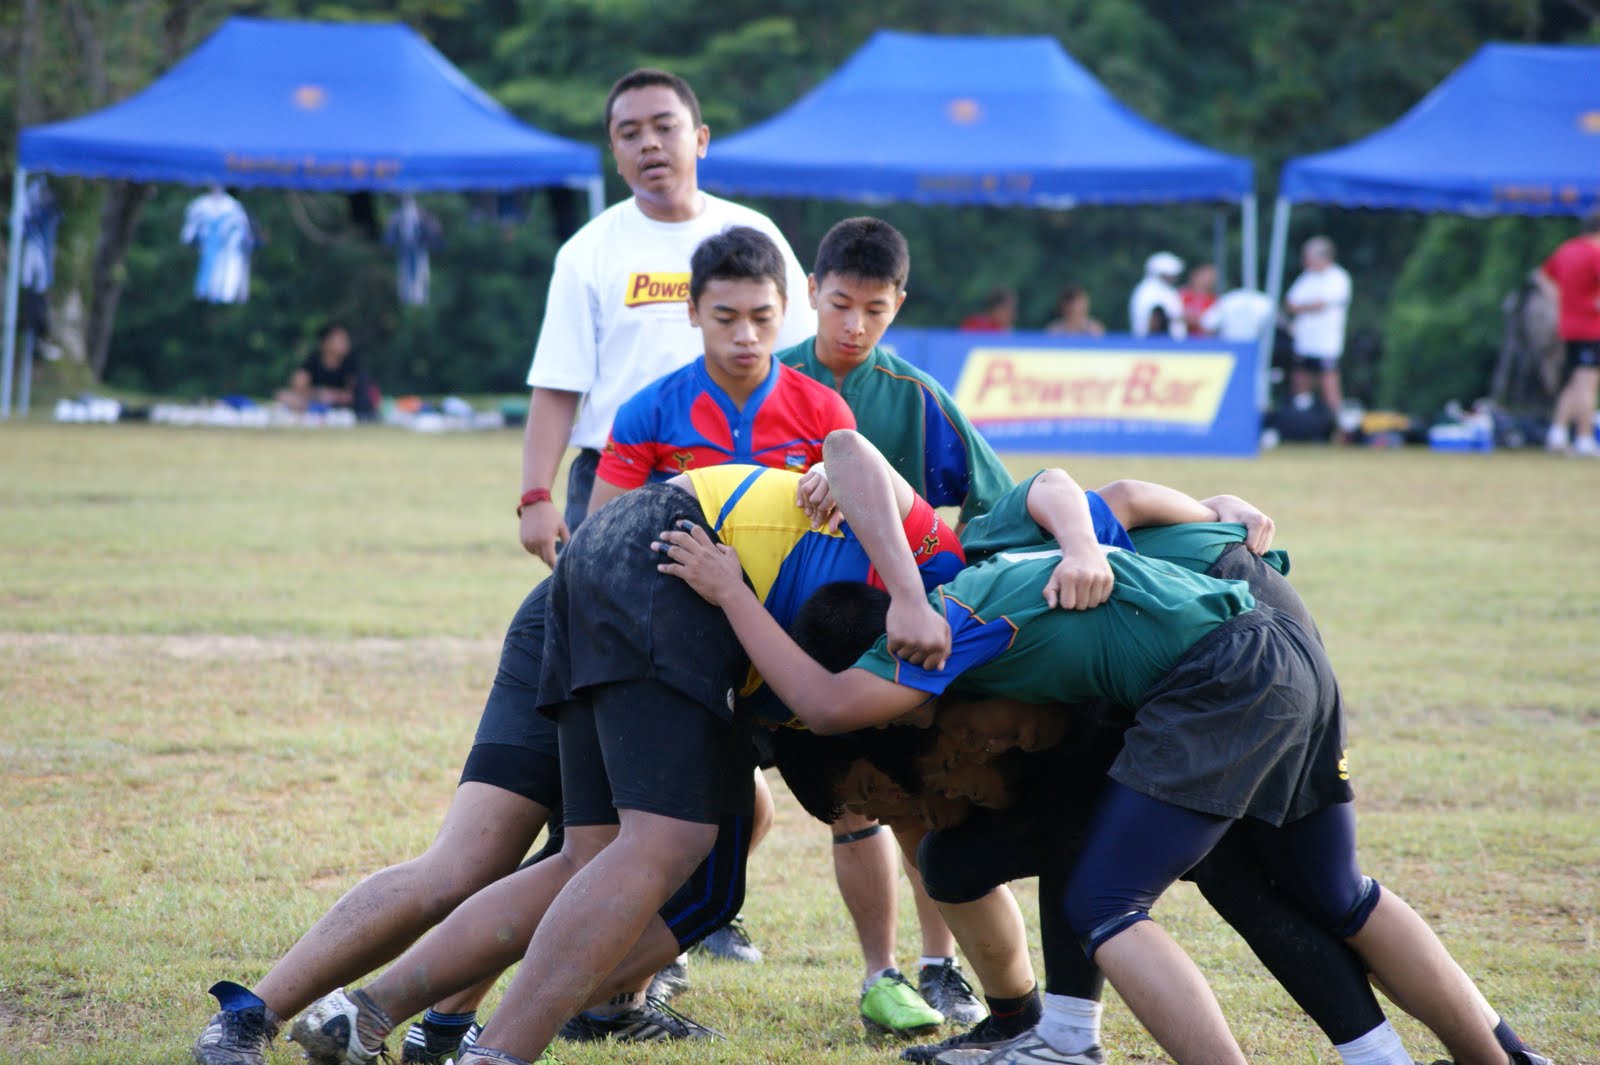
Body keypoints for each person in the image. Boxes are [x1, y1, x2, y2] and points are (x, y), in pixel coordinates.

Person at [655, 437, 1545, 1065]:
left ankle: (1081, 1036)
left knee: (1115, 898)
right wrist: (1209, 515)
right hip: (1271, 642)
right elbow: (1103, 500)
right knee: (1332, 889)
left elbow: (822, 702)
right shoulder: (994, 586)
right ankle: (1494, 1054)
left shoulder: (945, 626)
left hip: (1228, 660)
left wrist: (734, 592)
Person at [285, 454, 978, 1065]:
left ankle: (363, 1013)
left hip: (626, 562)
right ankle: (493, 1048)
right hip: (666, 553)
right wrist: (908, 595)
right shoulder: (944, 583)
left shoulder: (861, 695)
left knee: (595, 858)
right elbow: (847, 448)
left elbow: (814, 707)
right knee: (668, 843)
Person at [779, 216, 1015, 1032]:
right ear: (811, 291)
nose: (855, 325)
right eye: (840, 304)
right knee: (850, 801)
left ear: (899, 305)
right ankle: (878, 971)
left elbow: (996, 507)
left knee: (928, 793)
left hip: (901, 632)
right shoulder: (769, 383)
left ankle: (939, 967)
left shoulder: (917, 398)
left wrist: (955, 600)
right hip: (797, 632)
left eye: (874, 309)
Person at [516, 67, 814, 570]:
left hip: (739, 472)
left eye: (664, 127)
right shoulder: (586, 252)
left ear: (701, 139)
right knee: (602, 613)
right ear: (615, 155)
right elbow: (558, 384)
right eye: (629, 134)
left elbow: (803, 364)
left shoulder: (755, 233)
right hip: (614, 476)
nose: (649, 143)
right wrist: (535, 496)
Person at [1537, 209, 1600, 455]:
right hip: (1592, 328)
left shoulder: (1566, 249)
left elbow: (1542, 277)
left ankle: (1558, 433)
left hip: (1567, 326)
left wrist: (1560, 301)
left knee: (1575, 380)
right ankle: (1584, 438)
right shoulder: (1595, 253)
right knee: (1587, 384)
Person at [1284, 235, 1353, 416]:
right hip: (1304, 342)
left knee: (1329, 385)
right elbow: (1290, 303)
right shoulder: (1307, 277)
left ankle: (1336, 425)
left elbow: (1320, 305)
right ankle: (1299, 420)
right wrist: (1310, 307)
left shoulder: (1338, 278)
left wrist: (1304, 307)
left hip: (1326, 344)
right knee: (1300, 382)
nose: (1305, 261)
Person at [276, 322, 374, 418]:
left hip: (341, 407)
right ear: (326, 342)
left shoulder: (350, 363)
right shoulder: (314, 360)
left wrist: (332, 395)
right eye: (340, 340)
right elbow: (298, 385)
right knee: (284, 396)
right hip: (314, 401)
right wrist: (319, 394)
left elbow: (351, 396)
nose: (345, 343)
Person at [1128, 251, 1185, 338]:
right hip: (1157, 342)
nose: (1175, 277)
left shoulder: (1166, 290)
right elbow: (1155, 321)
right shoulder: (1148, 291)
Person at [1201, 285, 1276, 344]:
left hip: (1230, 348)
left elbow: (1207, 324)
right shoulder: (1265, 300)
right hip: (1253, 347)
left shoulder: (1226, 299)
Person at [1180, 262, 1219, 337]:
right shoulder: (1181, 296)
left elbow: (1212, 327)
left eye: (1211, 277)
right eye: (1205, 276)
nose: (1208, 280)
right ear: (1194, 275)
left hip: (1204, 340)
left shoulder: (1214, 300)